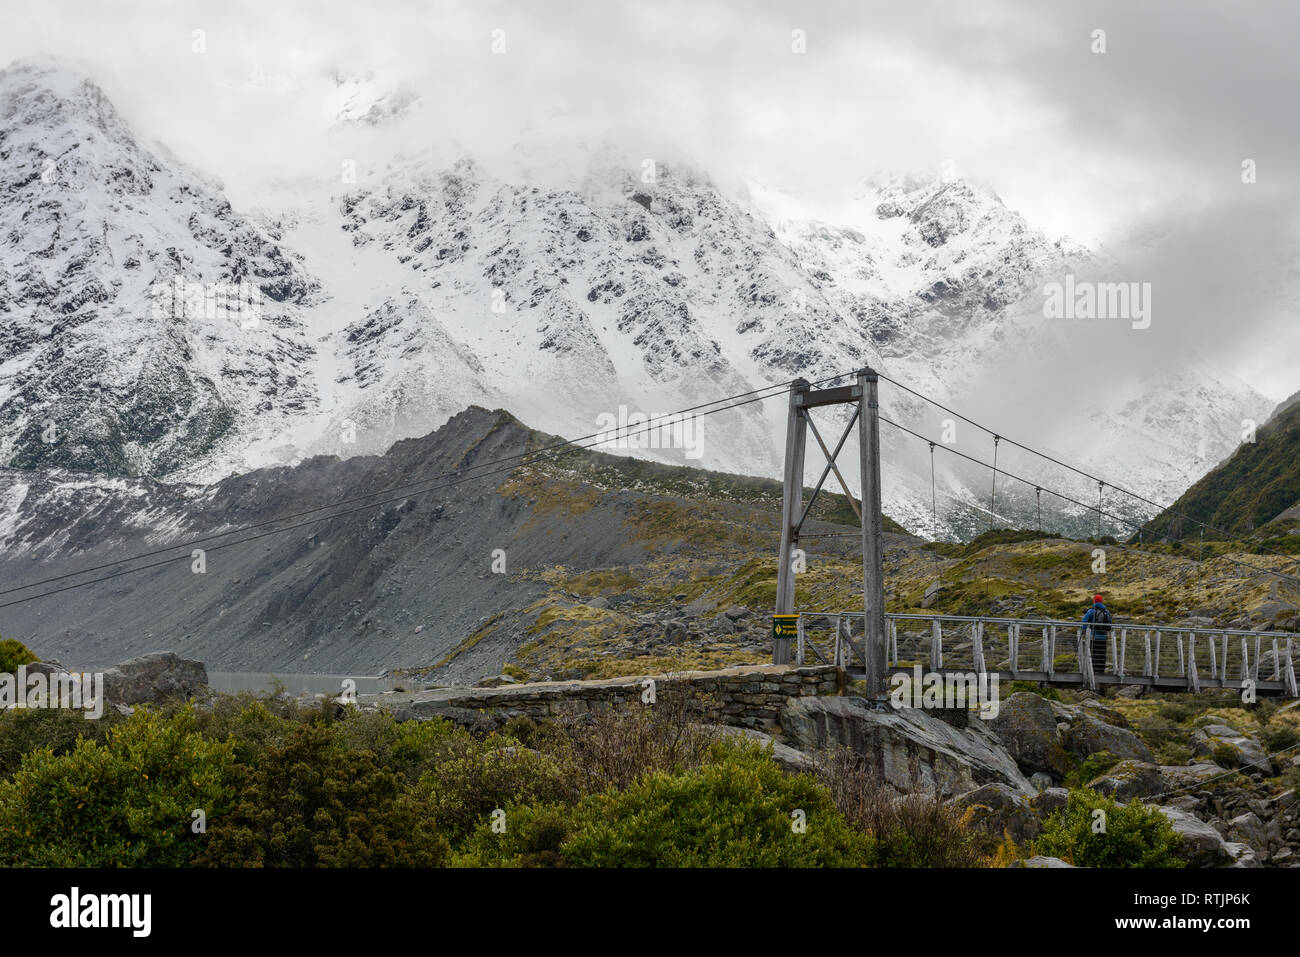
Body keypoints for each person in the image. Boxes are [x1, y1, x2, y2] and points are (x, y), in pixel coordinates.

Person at [1081, 594, 1111, 673]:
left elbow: (1084, 621)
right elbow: (1110, 623)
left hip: (1094, 636)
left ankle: (1093, 671)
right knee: (1102, 654)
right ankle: (1101, 670)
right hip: (1103, 637)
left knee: (1094, 653)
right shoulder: (1106, 611)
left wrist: (1083, 630)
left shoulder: (1091, 611)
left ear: (1094, 601)